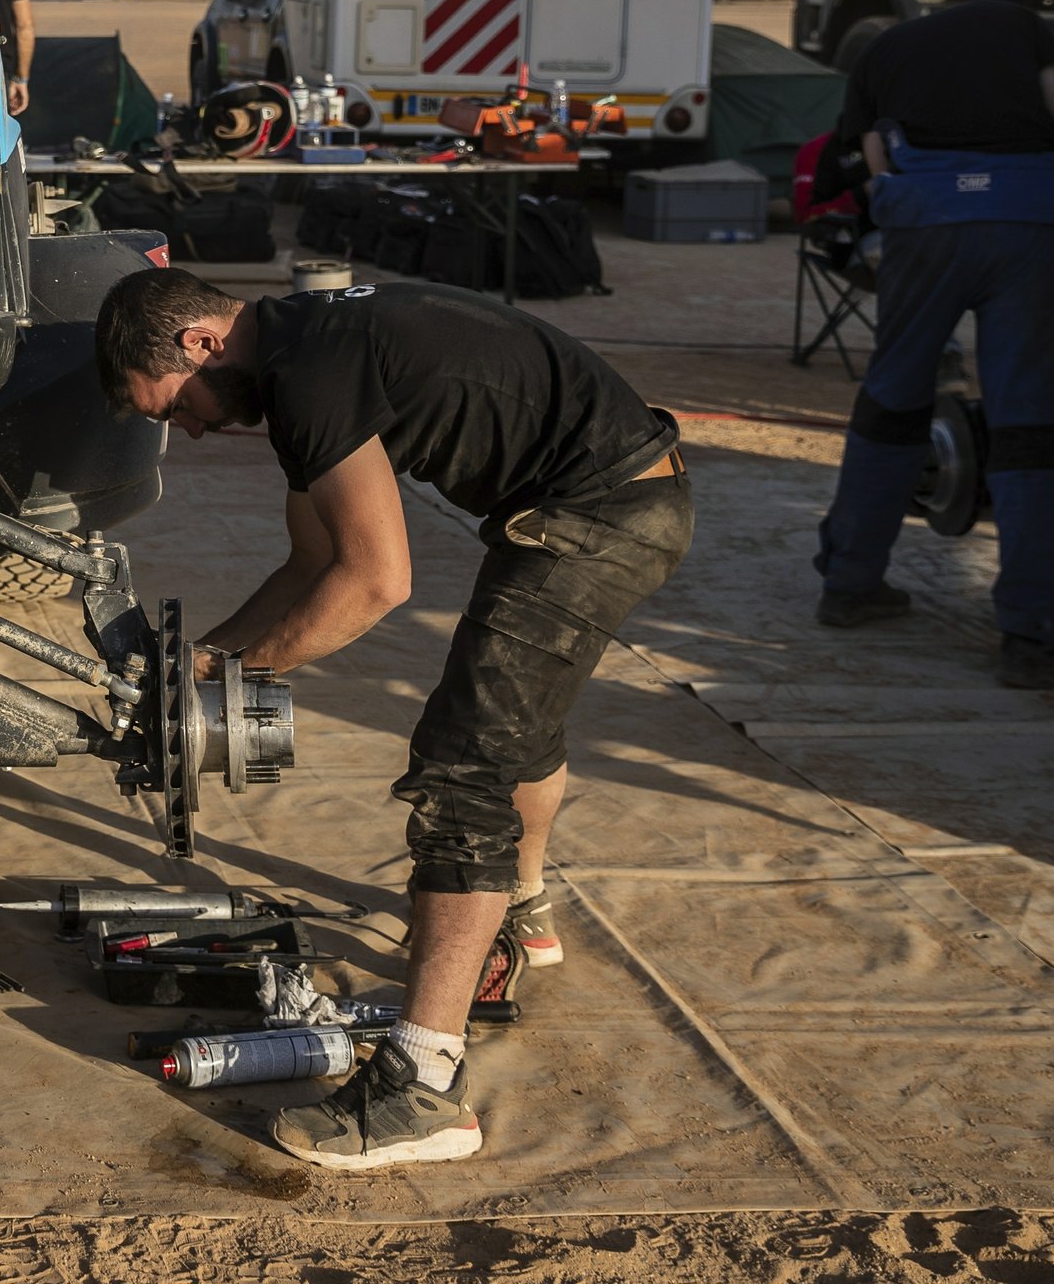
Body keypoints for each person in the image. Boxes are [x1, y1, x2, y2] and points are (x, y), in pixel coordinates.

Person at [97, 267, 691, 1168]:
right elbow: (310, 563)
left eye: (175, 406)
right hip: (601, 494)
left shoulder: (306, 376)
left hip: (601, 511)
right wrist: (201, 664)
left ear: (200, 344)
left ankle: (423, 1087)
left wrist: (219, 687)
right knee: (513, 711)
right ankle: (520, 912)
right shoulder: (303, 346)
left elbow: (374, 583)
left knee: (464, 767)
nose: (192, 429)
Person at [812, 0, 1054, 688]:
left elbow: (873, 152)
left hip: (928, 223)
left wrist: (907, 198)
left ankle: (850, 585)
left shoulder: (883, 50)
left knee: (893, 396)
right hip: (1029, 220)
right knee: (1032, 421)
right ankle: (1032, 634)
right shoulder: (1020, 24)